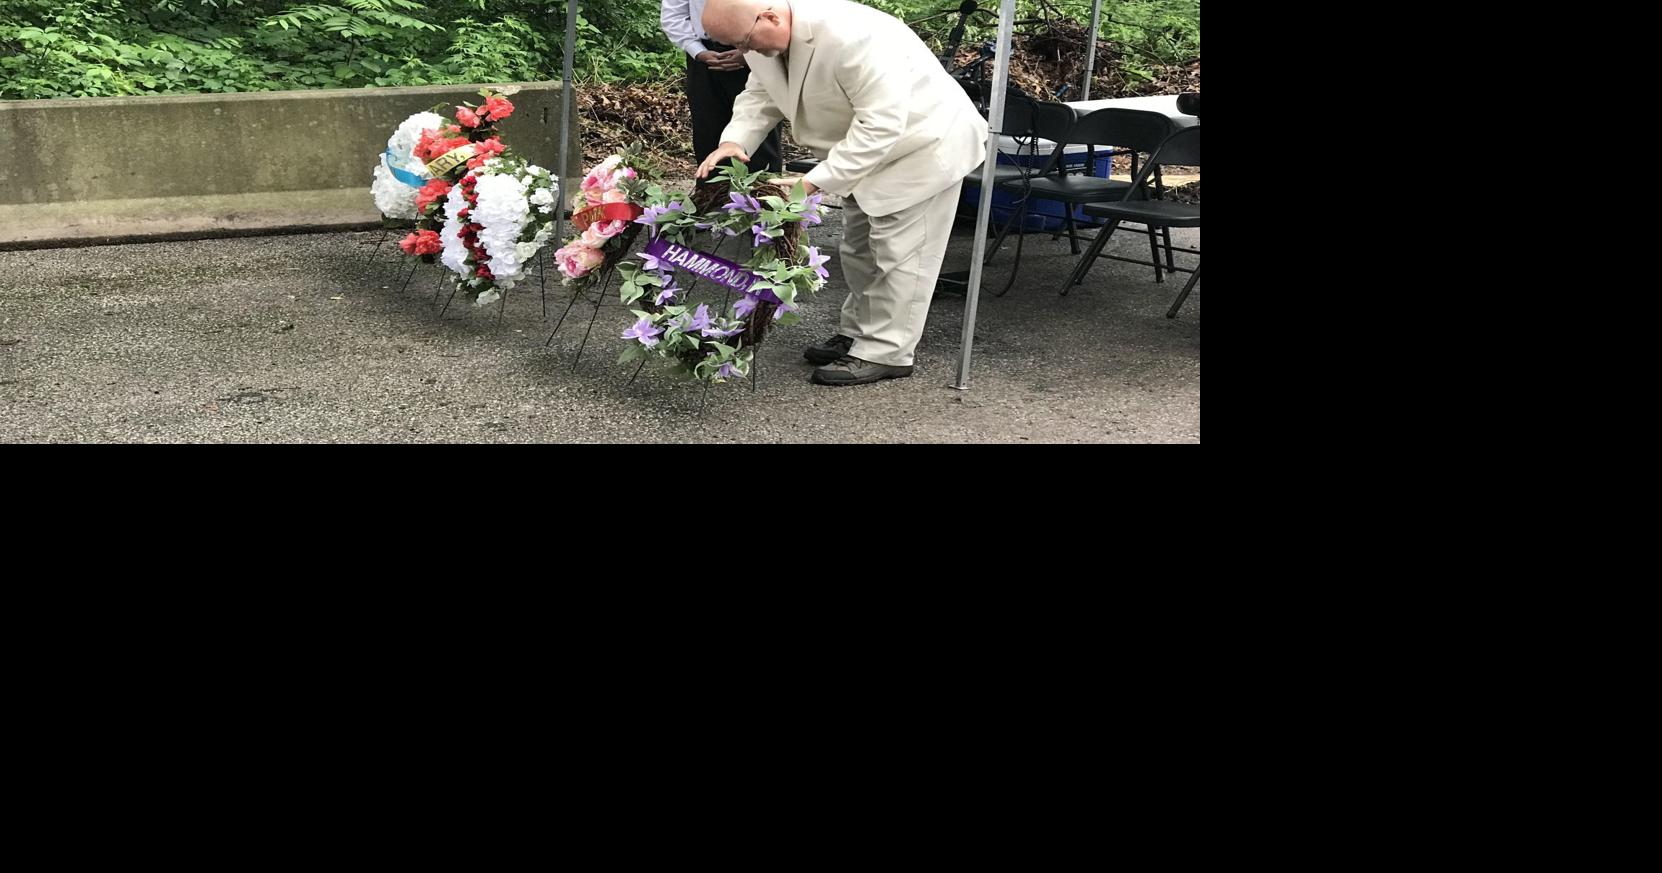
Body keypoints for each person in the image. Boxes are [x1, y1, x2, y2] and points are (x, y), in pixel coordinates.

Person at [697, 0, 988, 386]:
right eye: (738, 45)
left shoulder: (855, 36)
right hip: (860, 152)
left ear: (770, 16)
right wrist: (734, 141)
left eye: (746, 42)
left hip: (922, 145)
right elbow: (760, 95)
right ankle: (857, 333)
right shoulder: (761, 36)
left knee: (901, 254)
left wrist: (816, 180)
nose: (746, 52)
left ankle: (886, 351)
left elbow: (881, 125)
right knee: (858, 248)